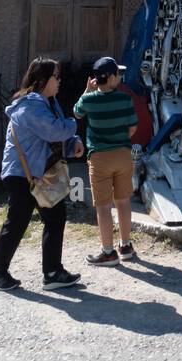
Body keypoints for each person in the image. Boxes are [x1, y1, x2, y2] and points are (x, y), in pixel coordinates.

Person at [0, 56, 85, 291]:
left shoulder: (48, 102)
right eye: (55, 76)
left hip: (40, 172)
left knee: (55, 217)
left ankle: (52, 273)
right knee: (18, 221)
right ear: (43, 79)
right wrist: (74, 125)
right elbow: (53, 131)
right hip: (22, 173)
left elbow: (55, 136)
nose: (59, 81)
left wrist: (73, 143)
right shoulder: (31, 105)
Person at [74, 55, 138, 265]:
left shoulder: (89, 100)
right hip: (122, 154)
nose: (120, 76)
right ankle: (126, 245)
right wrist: (119, 140)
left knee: (103, 205)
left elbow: (77, 113)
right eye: (117, 73)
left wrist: (87, 91)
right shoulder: (125, 98)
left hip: (99, 157)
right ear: (110, 78)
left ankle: (108, 251)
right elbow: (132, 127)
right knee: (123, 200)